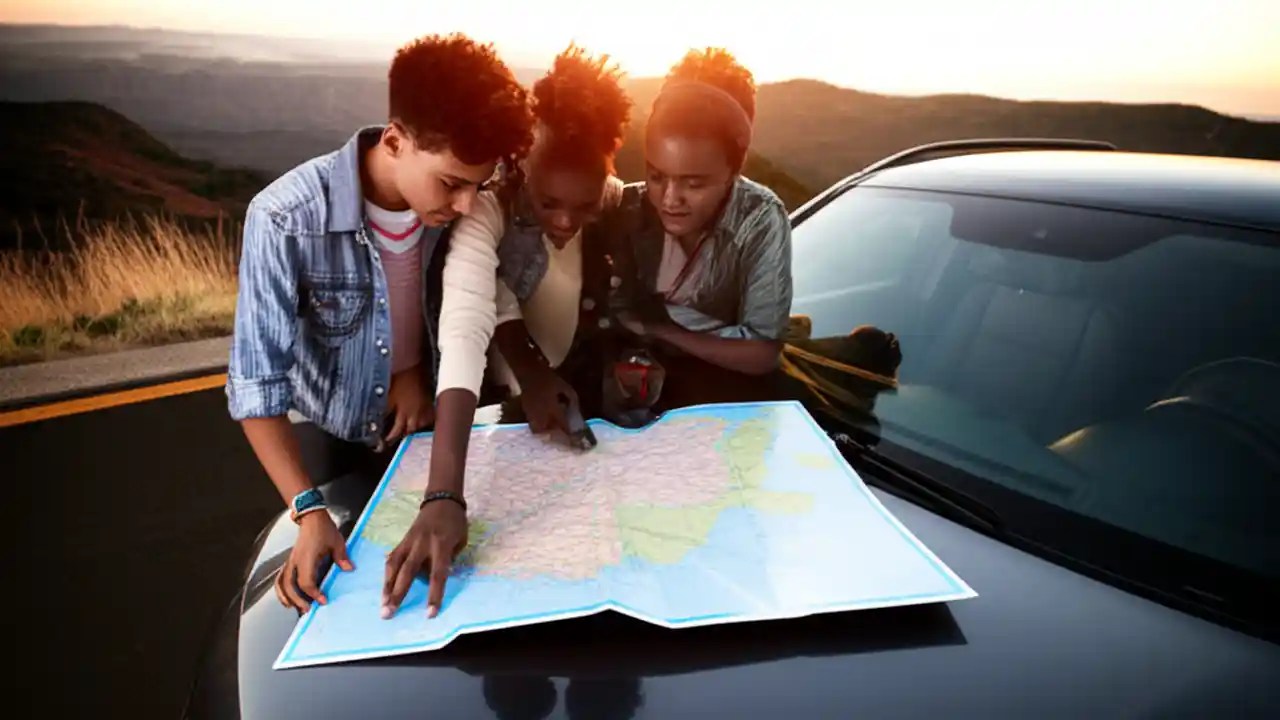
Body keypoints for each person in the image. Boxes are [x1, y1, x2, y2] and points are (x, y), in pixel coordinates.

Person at [225, 33, 533, 618]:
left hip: (437, 422)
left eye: (479, 184)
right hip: (340, 439)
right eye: (451, 183)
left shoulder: (461, 204)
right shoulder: (285, 219)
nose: (468, 205)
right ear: (395, 140)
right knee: (361, 598)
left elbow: (469, 303)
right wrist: (308, 509)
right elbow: (255, 387)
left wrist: (413, 368)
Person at [451, 44, 633, 433]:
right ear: (525, 167)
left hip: (574, 398)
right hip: (492, 411)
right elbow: (474, 304)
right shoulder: (489, 208)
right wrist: (532, 374)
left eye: (586, 205)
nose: (566, 221)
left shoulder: (615, 198)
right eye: (548, 204)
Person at [605, 48, 794, 410]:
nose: (671, 198)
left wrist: (662, 331)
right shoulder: (627, 208)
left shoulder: (759, 219)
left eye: (694, 182)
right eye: (658, 176)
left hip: (720, 404)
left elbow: (761, 351)